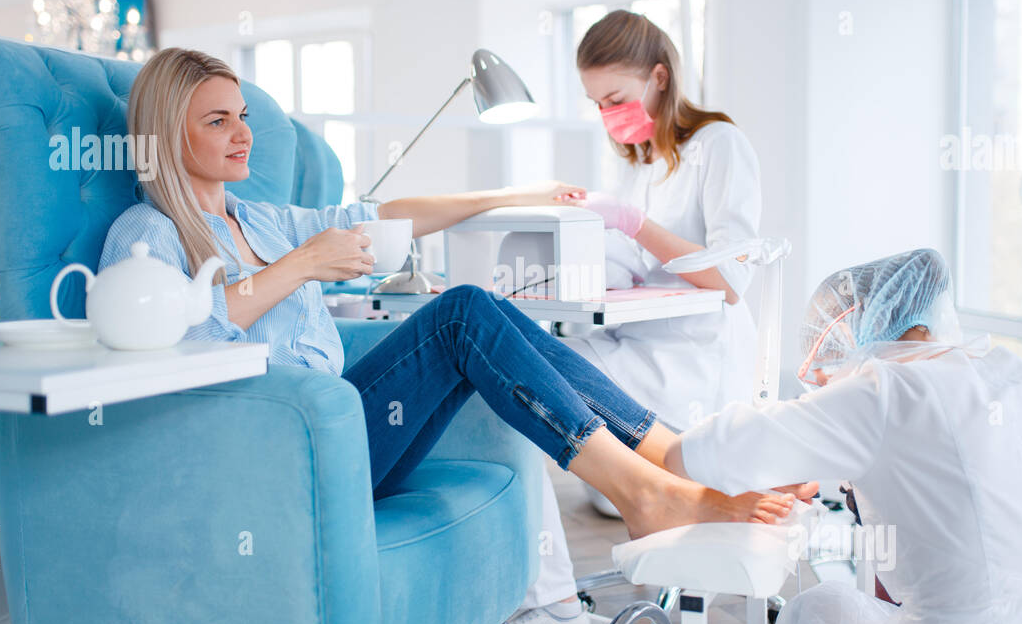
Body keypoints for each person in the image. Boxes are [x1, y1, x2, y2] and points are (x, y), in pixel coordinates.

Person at [98, 48, 797, 547]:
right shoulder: (146, 236)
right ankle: (646, 489)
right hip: (275, 452)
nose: (243, 132)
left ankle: (671, 453)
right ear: (167, 132)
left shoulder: (265, 220)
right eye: (217, 120)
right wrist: (304, 264)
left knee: (487, 308)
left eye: (241, 114)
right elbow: (176, 342)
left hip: (344, 427)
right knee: (462, 311)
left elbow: (386, 216)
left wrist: (511, 195)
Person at [662, 248, 1022, 624]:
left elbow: (709, 451)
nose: (830, 389)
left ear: (869, 337)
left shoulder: (885, 389)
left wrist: (644, 449)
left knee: (814, 613)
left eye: (831, 376)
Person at [504, 9, 764, 624]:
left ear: (658, 77)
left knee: (521, 394)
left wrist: (628, 222)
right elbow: (631, 264)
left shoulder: (719, 146)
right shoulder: (641, 158)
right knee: (507, 380)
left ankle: (553, 597)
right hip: (635, 343)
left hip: (695, 357)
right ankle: (543, 592)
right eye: (596, 104)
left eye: (615, 98)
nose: (607, 114)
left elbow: (731, 279)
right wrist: (570, 248)